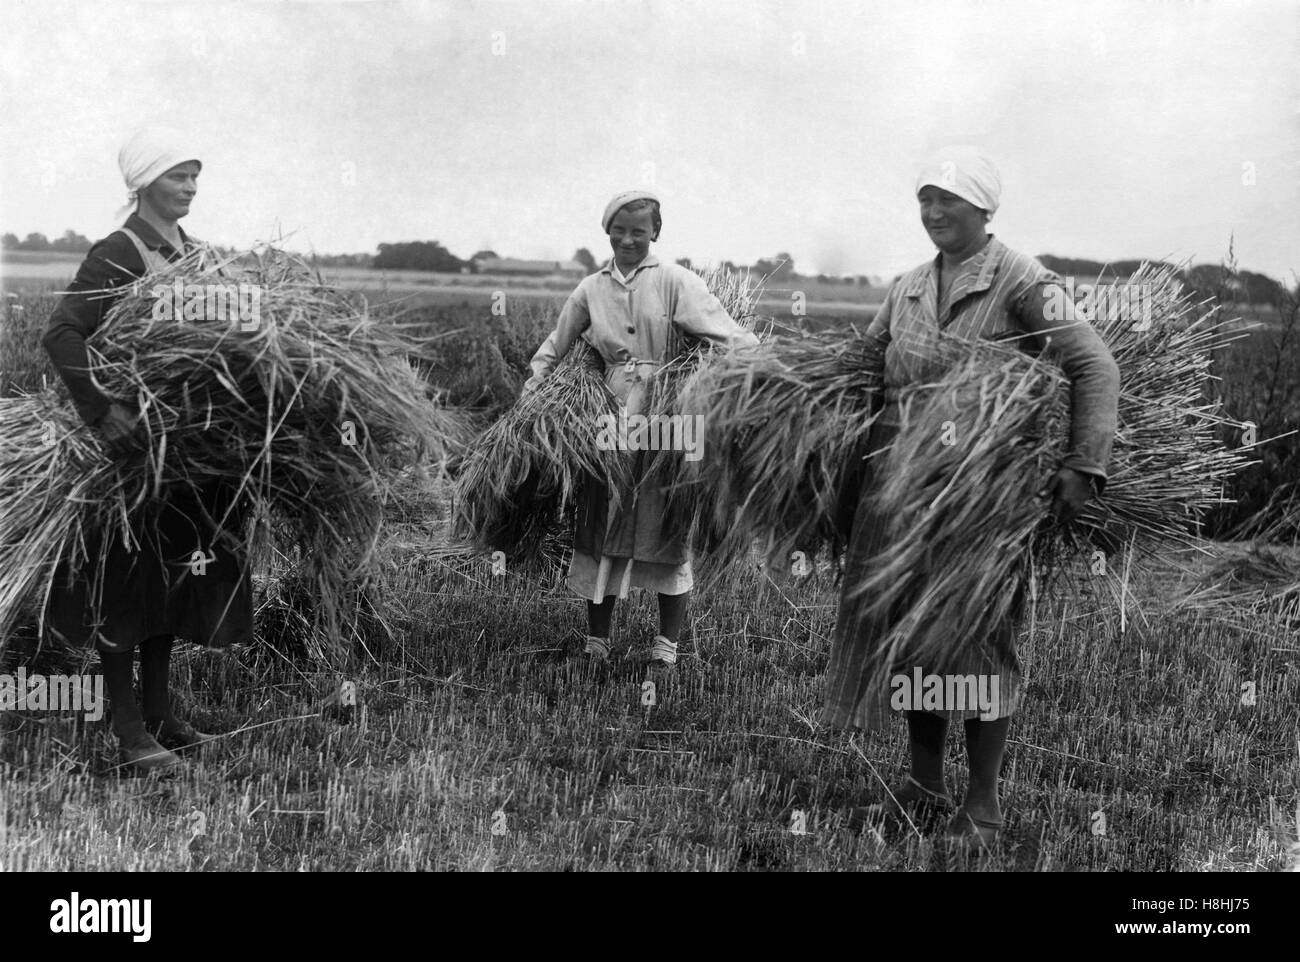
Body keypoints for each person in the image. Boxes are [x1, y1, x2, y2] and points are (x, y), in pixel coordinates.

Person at [827, 146, 1120, 846]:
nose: (932, 214)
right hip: (900, 493)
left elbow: (1093, 362)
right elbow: (864, 370)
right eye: (925, 200)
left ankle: (982, 809)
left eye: (948, 203)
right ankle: (924, 786)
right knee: (913, 636)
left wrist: (1086, 463)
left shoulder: (1022, 278)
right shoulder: (905, 288)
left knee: (980, 643)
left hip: (981, 497)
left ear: (983, 210)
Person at [42, 127, 254, 772]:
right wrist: (103, 409)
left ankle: (160, 713)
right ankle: (127, 728)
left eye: (195, 176)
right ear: (143, 184)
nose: (189, 188)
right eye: (176, 177)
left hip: (191, 456)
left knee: (174, 586)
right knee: (128, 584)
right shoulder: (120, 252)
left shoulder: (197, 256)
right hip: (135, 455)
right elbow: (62, 332)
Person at [524, 190, 760, 667]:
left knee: (666, 523)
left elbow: (724, 333)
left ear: (655, 232)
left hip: (669, 415)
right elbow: (555, 344)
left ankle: (665, 648)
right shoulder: (591, 288)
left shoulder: (675, 281)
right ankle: (596, 642)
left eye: (639, 230)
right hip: (608, 414)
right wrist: (532, 393)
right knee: (600, 520)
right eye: (619, 229)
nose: (628, 239)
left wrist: (762, 367)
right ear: (607, 231)